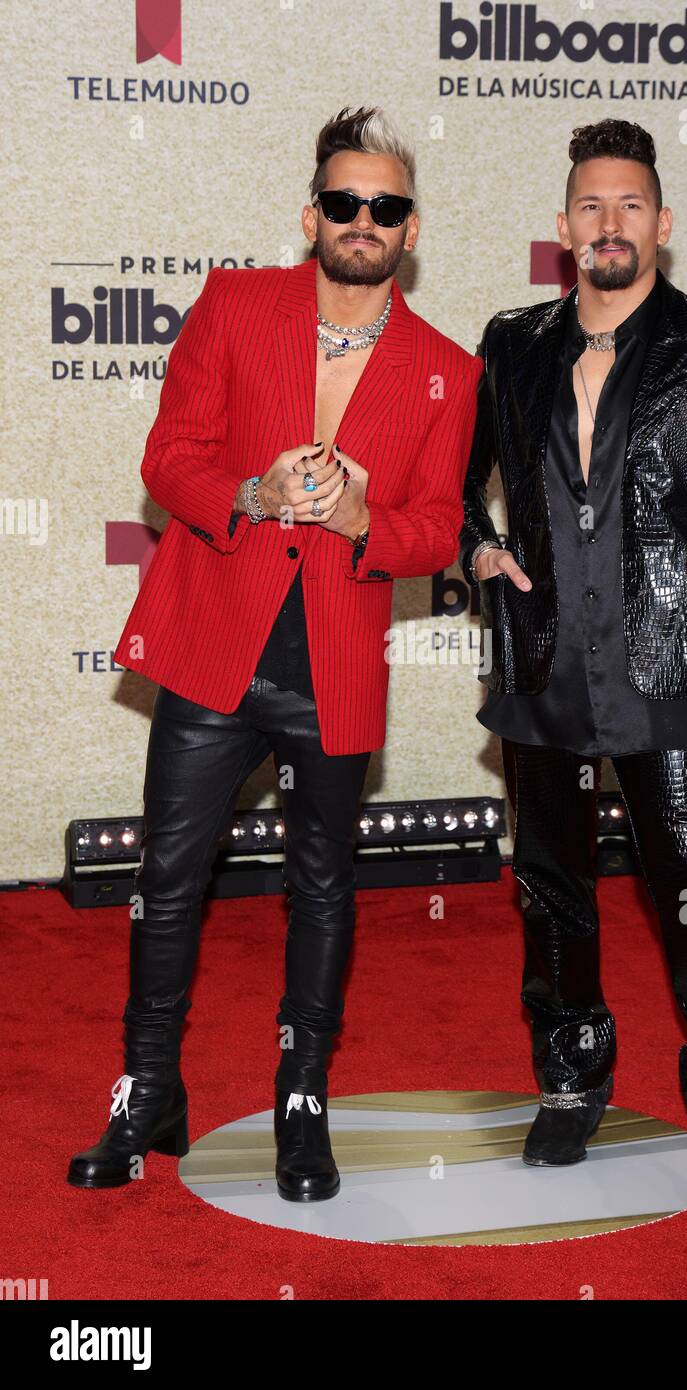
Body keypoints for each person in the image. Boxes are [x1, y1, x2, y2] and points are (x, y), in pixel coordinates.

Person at [67, 105, 483, 1202]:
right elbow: (170, 458)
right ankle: (145, 1087)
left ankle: (303, 1099)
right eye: (344, 200)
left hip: (330, 663)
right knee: (166, 874)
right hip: (217, 649)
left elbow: (438, 527)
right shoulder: (234, 303)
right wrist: (252, 492)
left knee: (322, 890)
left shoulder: (447, 370)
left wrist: (359, 520)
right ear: (312, 213)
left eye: (384, 207)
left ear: (409, 230)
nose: (362, 219)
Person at [460, 118, 687, 1215]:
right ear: (562, 228)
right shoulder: (511, 343)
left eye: (630, 205)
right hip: (544, 662)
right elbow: (458, 485)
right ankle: (568, 1076)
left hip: (669, 669)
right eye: (590, 206)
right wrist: (473, 542)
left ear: (662, 222)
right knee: (550, 890)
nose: (610, 223)